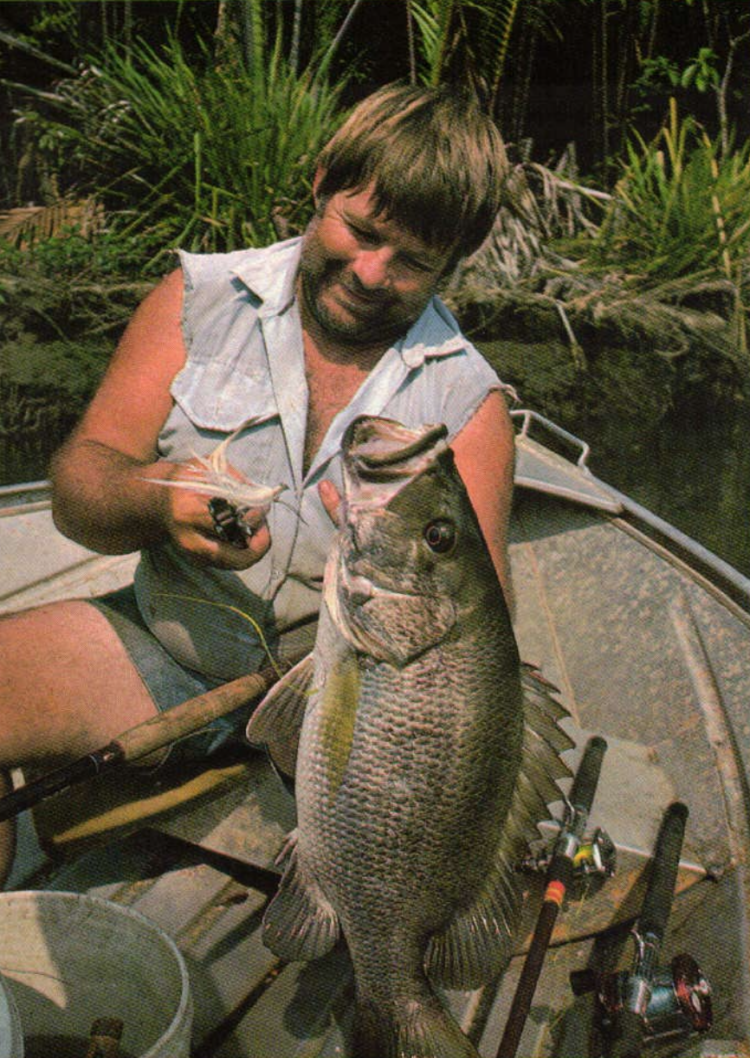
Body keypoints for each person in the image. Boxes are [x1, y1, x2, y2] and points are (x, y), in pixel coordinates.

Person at [0, 82, 516, 886]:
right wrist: (157, 498)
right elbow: (78, 489)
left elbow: (478, 656)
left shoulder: (470, 408)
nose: (374, 273)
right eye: (363, 229)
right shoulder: (197, 302)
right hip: (161, 651)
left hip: (345, 720)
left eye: (413, 261)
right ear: (320, 185)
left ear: (453, 263)